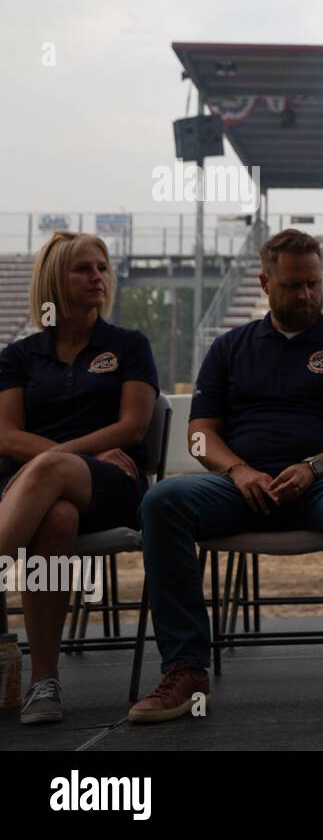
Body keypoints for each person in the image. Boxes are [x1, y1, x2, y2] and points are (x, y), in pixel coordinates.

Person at [129, 230, 323, 722]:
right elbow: (200, 436)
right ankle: (185, 669)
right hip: (237, 489)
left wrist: (313, 468)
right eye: (294, 285)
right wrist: (238, 470)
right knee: (161, 500)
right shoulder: (229, 348)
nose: (307, 296)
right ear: (265, 283)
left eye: (314, 284)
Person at [0, 231, 159, 725]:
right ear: (54, 279)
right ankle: (44, 682)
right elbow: (5, 435)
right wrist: (58, 462)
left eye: (102, 268)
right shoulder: (19, 356)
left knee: (53, 476)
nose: (98, 277)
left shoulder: (129, 346)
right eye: (83, 269)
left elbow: (132, 426)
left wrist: (58, 461)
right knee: (57, 519)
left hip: (113, 483)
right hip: (34, 492)